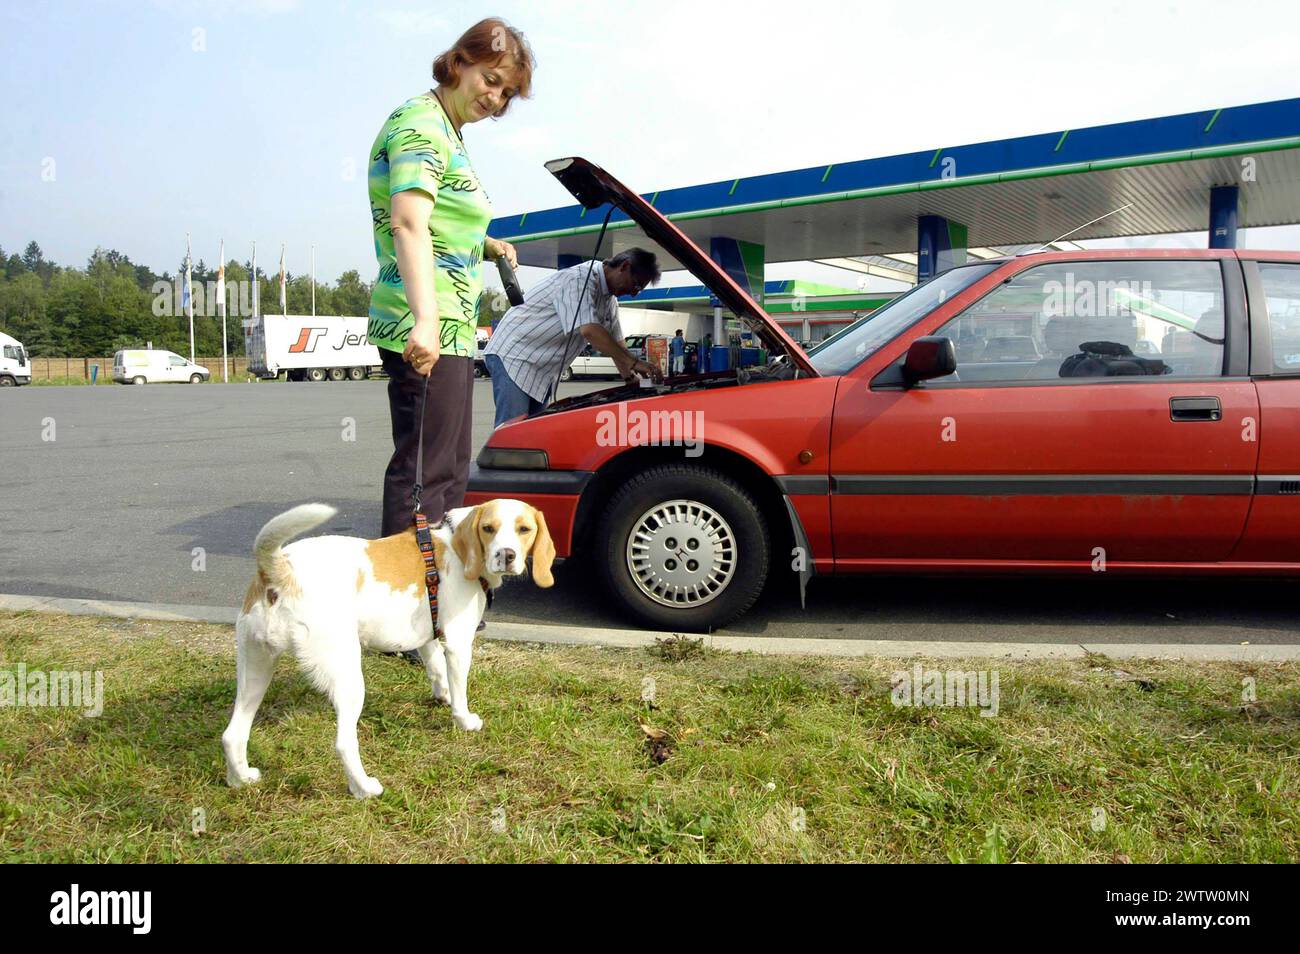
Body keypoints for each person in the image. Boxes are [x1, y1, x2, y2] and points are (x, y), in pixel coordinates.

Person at [366, 18, 534, 537]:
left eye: (505, 93)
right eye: (490, 80)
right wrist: (425, 320)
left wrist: (484, 245)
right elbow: (409, 221)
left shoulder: (449, 130)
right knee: (424, 473)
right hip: (426, 324)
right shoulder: (420, 125)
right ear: (459, 63)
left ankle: (432, 594)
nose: (495, 99)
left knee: (450, 468)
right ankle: (409, 601)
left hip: (453, 327)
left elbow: (438, 220)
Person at [483, 248, 664, 429]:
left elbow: (617, 344)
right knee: (513, 434)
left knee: (533, 436)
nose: (634, 293)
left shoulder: (609, 300)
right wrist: (635, 362)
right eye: (636, 285)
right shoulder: (578, 280)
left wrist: (631, 380)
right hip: (515, 356)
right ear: (624, 267)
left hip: (540, 369)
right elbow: (590, 331)